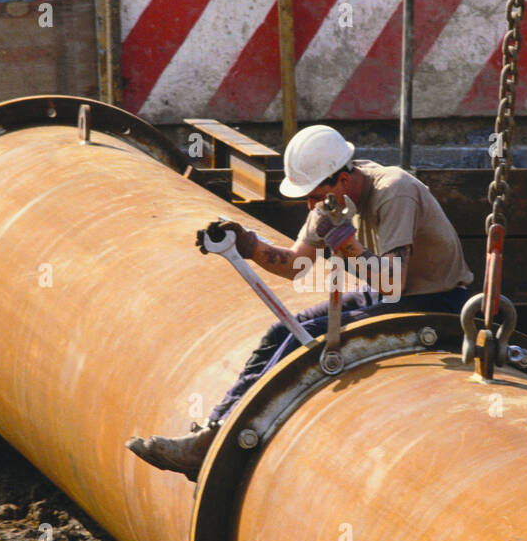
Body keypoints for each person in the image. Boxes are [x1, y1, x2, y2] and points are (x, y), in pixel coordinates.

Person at [127, 124, 473, 480]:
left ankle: (232, 438)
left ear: (342, 178)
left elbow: (393, 280)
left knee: (305, 337)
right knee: (284, 330)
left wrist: (342, 238)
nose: (311, 206)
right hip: (391, 294)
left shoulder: (394, 191)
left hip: (437, 300)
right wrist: (246, 244)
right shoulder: (331, 201)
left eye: (314, 195)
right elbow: (296, 265)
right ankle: (215, 430)